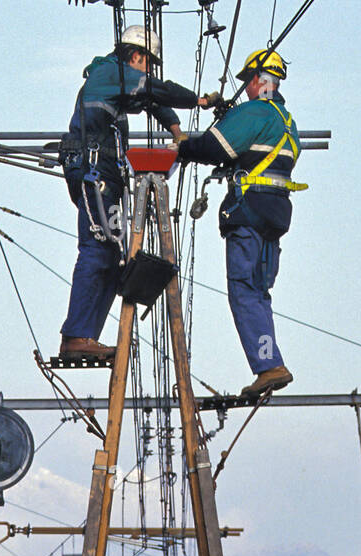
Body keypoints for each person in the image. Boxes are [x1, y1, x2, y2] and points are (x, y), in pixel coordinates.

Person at [58, 26, 219, 363]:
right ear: (136, 57)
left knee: (112, 259)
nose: (146, 71)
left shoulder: (115, 82)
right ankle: (75, 335)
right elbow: (156, 90)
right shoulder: (110, 73)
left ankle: (84, 335)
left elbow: (150, 99)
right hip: (94, 171)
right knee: (96, 249)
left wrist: (175, 128)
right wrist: (199, 101)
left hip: (106, 175)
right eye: (147, 64)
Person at [176, 47, 306, 400]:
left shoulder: (255, 112)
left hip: (248, 212)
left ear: (257, 80)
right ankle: (269, 362)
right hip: (275, 215)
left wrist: (184, 147)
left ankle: (269, 366)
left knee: (243, 291)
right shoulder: (287, 121)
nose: (246, 89)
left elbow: (216, 147)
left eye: (248, 81)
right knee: (258, 292)